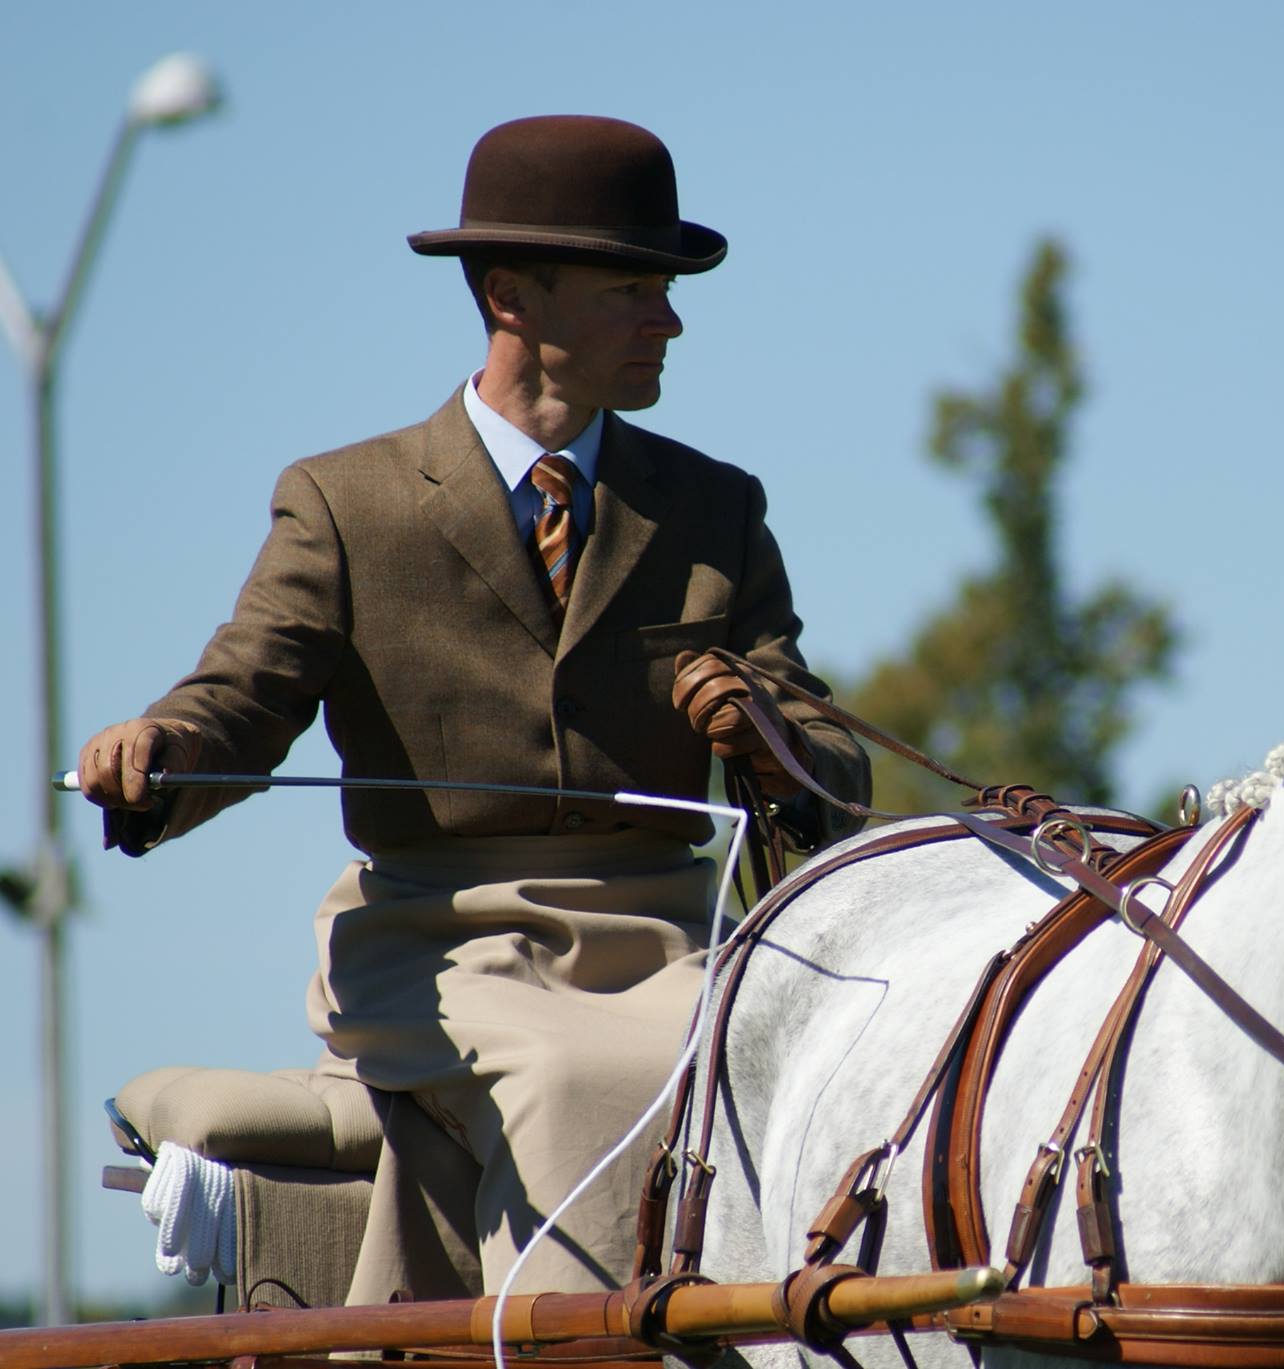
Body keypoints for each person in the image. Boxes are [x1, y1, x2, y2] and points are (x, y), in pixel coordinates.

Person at [74, 114, 870, 1303]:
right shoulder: (348, 503)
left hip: (668, 938)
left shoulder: (715, 508)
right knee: (573, 1075)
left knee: (832, 1052)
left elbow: (822, 761)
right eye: (635, 290)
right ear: (510, 294)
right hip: (437, 942)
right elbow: (238, 697)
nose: (672, 320)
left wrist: (772, 742)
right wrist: (160, 749)